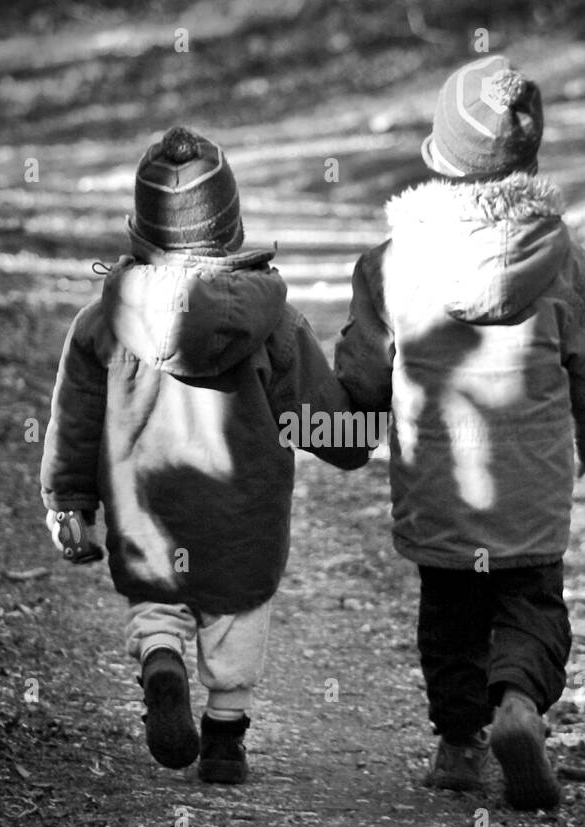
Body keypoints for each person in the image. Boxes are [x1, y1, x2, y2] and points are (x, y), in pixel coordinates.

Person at [334, 57, 585, 809]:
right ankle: (520, 705)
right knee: (531, 611)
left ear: (437, 161)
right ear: (530, 161)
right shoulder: (570, 268)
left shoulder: (391, 267)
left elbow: (366, 381)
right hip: (529, 503)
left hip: (439, 495)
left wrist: (340, 432)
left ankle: (459, 748)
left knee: (451, 617)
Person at [41, 127, 367, 784]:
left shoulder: (99, 324)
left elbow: (75, 420)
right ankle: (224, 739)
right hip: (241, 521)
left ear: (140, 228)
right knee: (236, 613)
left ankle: (161, 659)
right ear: (231, 226)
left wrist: (68, 501)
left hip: (145, 517)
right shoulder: (274, 323)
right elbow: (330, 429)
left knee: (157, 604)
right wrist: (360, 422)